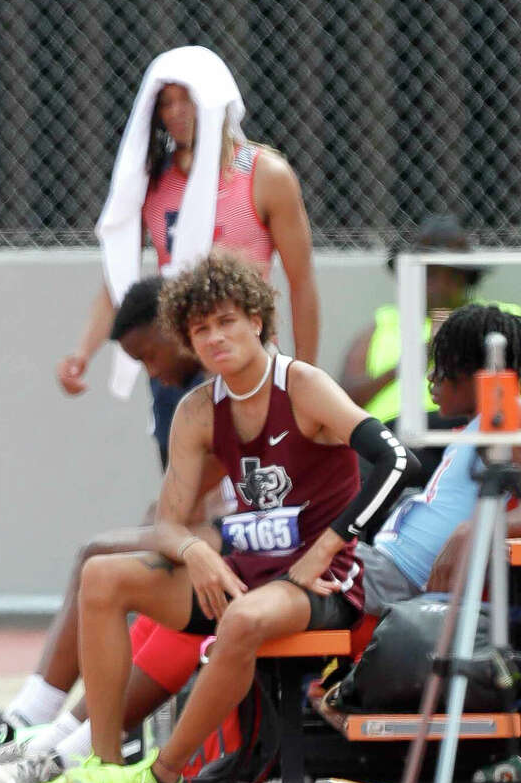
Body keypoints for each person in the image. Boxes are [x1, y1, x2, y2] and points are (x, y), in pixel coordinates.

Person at [21, 251, 419, 783]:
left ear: (256, 320)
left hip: (318, 580)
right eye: (201, 328)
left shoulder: (302, 386)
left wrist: (330, 543)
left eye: (227, 321)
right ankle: (103, 767)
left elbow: (398, 462)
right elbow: (167, 521)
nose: (214, 337)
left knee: (244, 619)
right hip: (243, 572)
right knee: (102, 576)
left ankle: (159, 778)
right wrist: (192, 551)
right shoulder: (199, 411)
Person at [0, 277, 219, 783]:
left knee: (106, 566)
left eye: (149, 355)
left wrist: (175, 534)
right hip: (210, 542)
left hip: (240, 551)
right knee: (108, 569)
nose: (148, 370)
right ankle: (52, 738)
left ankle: (47, 735)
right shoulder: (189, 396)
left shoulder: (222, 392)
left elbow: (212, 503)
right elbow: (179, 501)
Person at [58, 47, 319, 424]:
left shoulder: (265, 175)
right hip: (177, 360)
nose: (177, 112)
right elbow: (120, 278)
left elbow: (302, 280)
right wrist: (82, 353)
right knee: (183, 474)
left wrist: (304, 376)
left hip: (244, 357)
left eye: (187, 100)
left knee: (249, 477)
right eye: (166, 103)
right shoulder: (153, 179)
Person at [362, 303, 521, 613]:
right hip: (386, 569)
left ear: (478, 373)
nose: (432, 377)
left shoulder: (505, 416)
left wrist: (480, 528)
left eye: (443, 366)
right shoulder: (481, 424)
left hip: (396, 579)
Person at [340, 213, 516, 484]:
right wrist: (412, 360)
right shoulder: (383, 324)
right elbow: (346, 398)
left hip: (478, 430)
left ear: (468, 278)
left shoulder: (500, 319)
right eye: (430, 275)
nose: (440, 286)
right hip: (396, 438)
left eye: (452, 275)